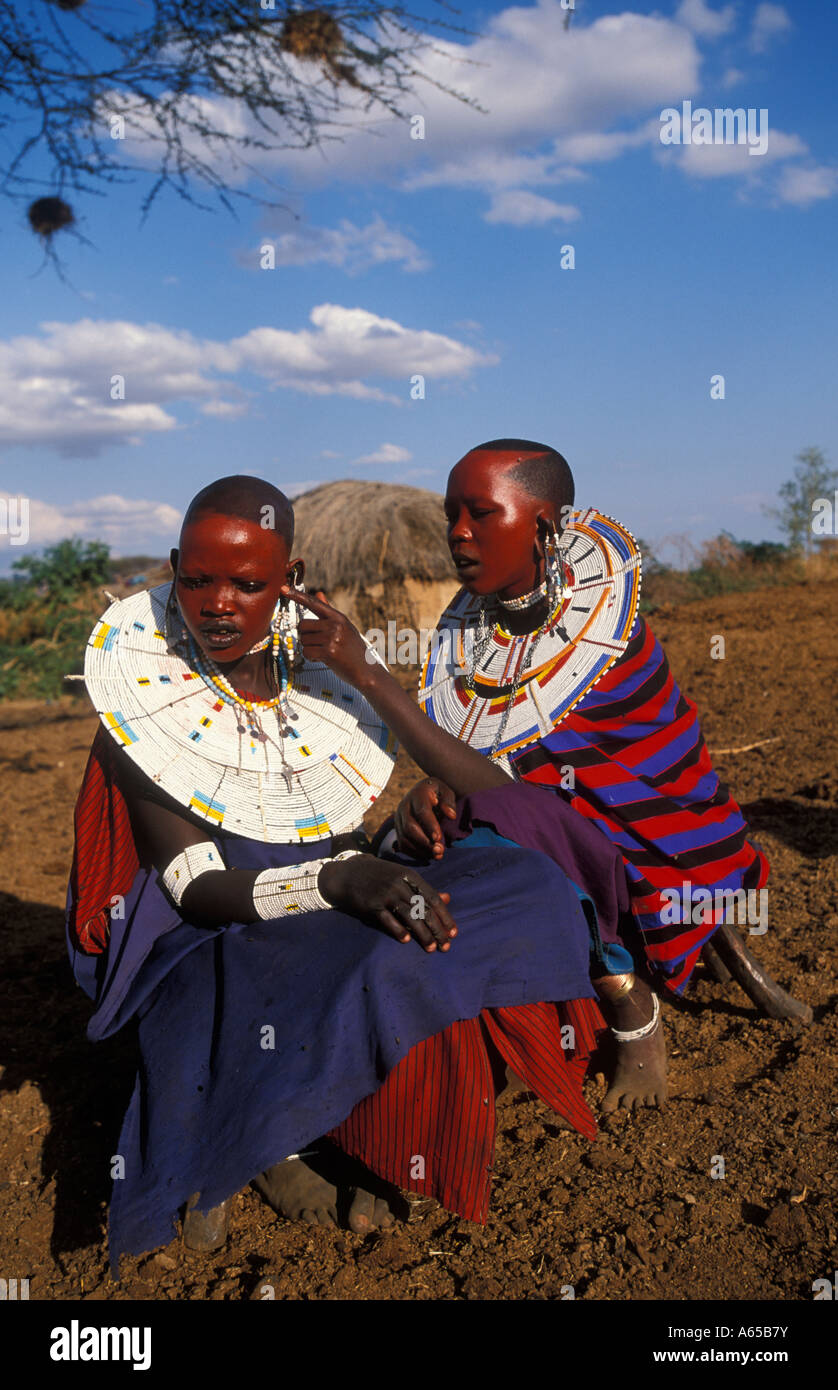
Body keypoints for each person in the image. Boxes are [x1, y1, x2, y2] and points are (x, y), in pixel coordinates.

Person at [66, 475, 633, 1267]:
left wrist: (396, 831)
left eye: (249, 584)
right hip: (222, 939)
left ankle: (615, 1004)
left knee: (526, 872)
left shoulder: (322, 689)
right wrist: (339, 885)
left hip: (330, 902)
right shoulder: (145, 708)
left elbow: (387, 824)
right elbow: (195, 888)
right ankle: (265, 1143)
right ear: (171, 570)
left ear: (290, 582)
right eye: (196, 581)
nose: (218, 603)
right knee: (374, 952)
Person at [398, 438, 811, 1113]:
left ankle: (630, 1006)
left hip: (642, 837)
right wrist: (434, 795)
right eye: (451, 514)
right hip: (522, 820)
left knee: (521, 824)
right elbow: (485, 760)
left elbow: (561, 776)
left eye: (479, 513)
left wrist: (368, 678)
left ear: (547, 529)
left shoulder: (608, 643)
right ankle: (518, 1024)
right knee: (414, 845)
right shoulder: (471, 642)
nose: (458, 534)